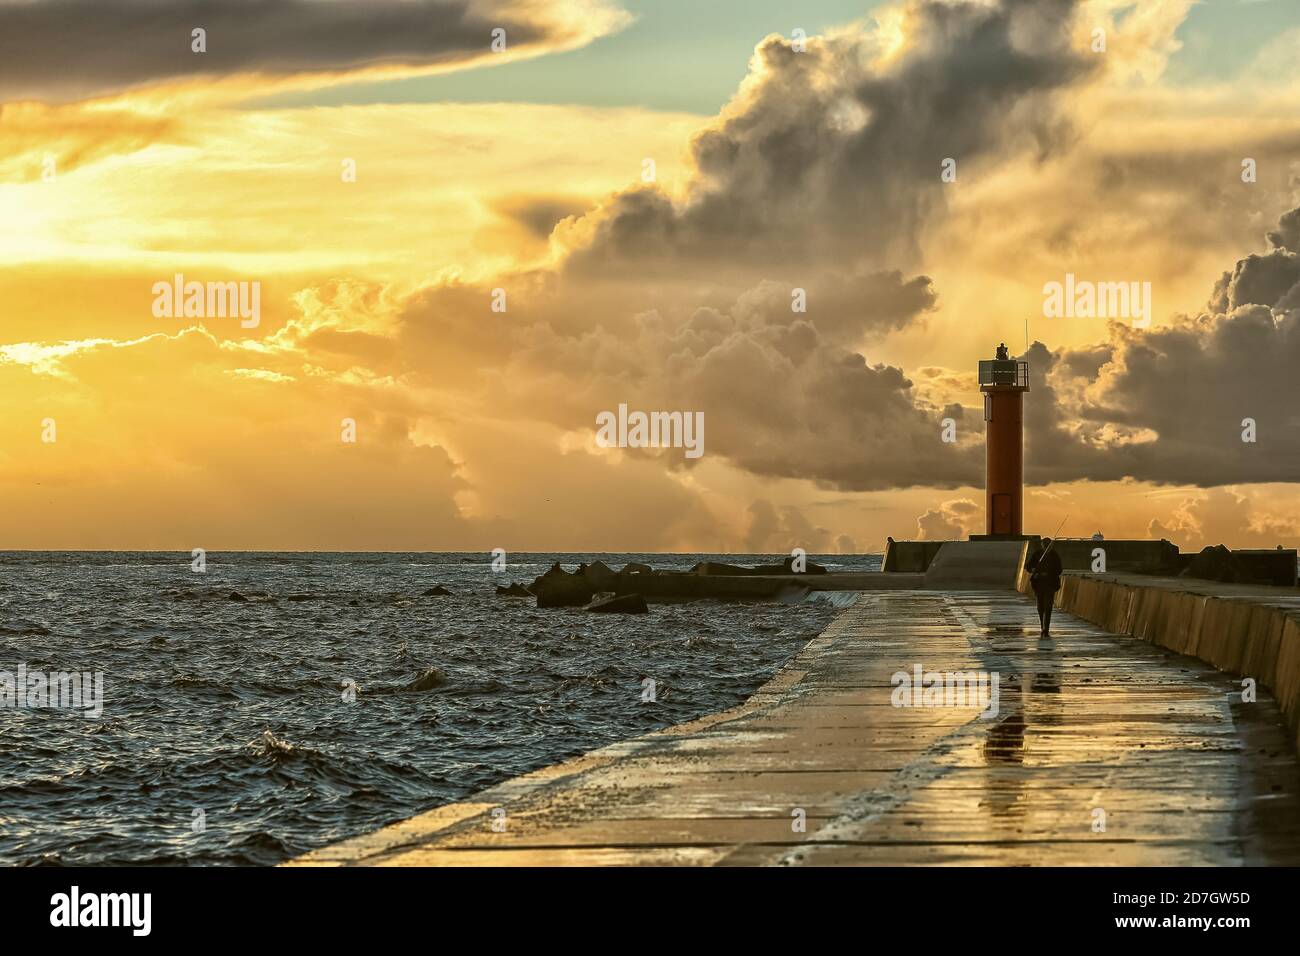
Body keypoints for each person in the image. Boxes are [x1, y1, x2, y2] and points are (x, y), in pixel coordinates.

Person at [1025, 538, 1063, 638]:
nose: (1046, 546)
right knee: (1040, 608)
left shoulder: (1054, 555)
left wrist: (1048, 574)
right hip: (1038, 585)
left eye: (1047, 545)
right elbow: (1028, 566)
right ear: (1042, 545)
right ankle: (1042, 626)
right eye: (1044, 545)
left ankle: (1045, 629)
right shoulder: (1037, 554)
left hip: (1050, 585)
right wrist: (1034, 570)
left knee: (1048, 607)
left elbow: (1059, 570)